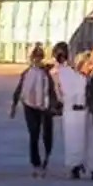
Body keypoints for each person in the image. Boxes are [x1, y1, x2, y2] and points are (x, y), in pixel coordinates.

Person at [11, 43, 57, 177]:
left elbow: (51, 90)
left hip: (45, 106)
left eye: (39, 58)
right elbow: (19, 89)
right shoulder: (27, 73)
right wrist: (14, 105)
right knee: (34, 133)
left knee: (47, 134)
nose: (37, 60)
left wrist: (53, 105)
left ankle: (46, 156)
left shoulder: (46, 74)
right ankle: (35, 161)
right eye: (35, 57)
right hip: (30, 106)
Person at [52, 42, 90, 179]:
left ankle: (77, 164)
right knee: (76, 139)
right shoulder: (67, 73)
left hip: (75, 109)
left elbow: (60, 93)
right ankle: (76, 164)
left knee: (75, 139)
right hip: (75, 109)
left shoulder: (67, 73)